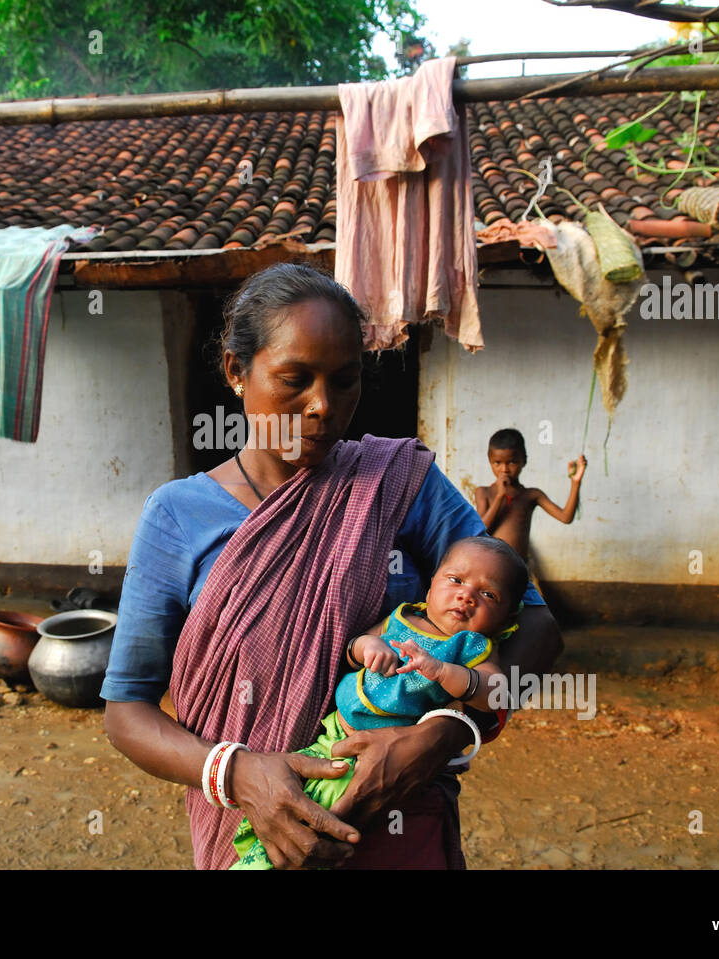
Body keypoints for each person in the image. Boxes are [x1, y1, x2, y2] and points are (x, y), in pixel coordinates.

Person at [101, 263, 564, 870]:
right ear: (237, 371)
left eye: (345, 381)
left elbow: (537, 627)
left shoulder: (398, 484)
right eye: (294, 379)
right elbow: (128, 710)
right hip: (256, 835)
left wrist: (440, 736)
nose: (323, 406)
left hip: (401, 824)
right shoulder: (177, 517)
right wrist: (240, 773)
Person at [230, 535, 527, 869]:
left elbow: (496, 692)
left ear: (506, 618)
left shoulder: (471, 647)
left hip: (388, 756)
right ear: (429, 589)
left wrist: (445, 672)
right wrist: (366, 647)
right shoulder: (401, 618)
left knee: (325, 818)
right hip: (332, 736)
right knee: (287, 798)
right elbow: (354, 649)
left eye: (488, 594)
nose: (466, 595)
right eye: (455, 580)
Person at [475, 428, 587, 562]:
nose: (504, 469)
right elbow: (479, 531)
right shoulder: (483, 492)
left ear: (524, 461)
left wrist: (575, 482)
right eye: (497, 463)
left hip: (519, 569)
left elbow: (566, 517)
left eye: (512, 462)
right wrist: (499, 497)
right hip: (490, 566)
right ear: (490, 461)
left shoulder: (531, 495)